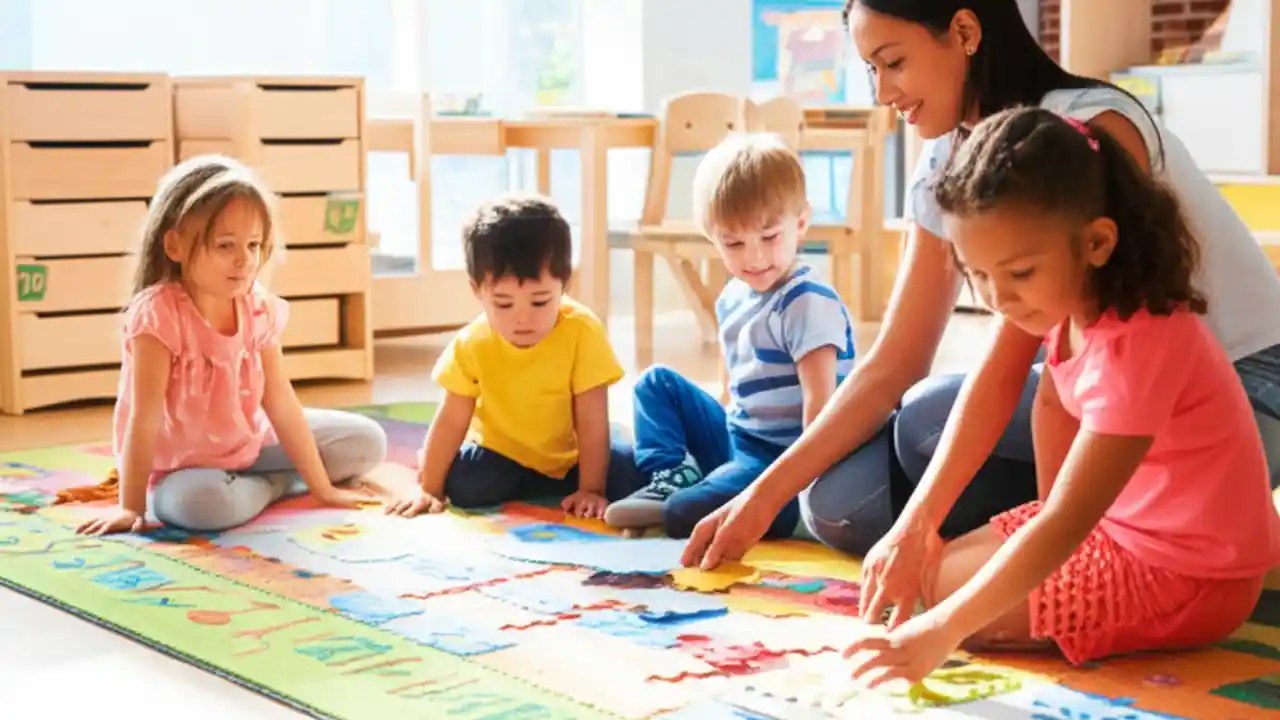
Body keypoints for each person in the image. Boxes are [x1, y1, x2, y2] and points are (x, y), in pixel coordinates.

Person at [681, 0, 1280, 569]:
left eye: (893, 63)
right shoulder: (948, 154)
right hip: (1104, 398)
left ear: (965, 32)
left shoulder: (1082, 130)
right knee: (834, 504)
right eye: (870, 70)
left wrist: (918, 523)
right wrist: (763, 494)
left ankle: (1113, 549)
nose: (882, 93)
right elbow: (894, 361)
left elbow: (1005, 365)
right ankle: (1052, 534)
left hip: (1242, 391)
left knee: (923, 424)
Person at [844, 106, 1280, 683]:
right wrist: (916, 526)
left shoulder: (1140, 343)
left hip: (1192, 576)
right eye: (978, 275)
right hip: (1120, 529)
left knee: (956, 606)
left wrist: (942, 631)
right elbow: (1023, 400)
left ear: (1096, 242)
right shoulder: (1061, 300)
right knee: (936, 570)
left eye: (1018, 273)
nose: (997, 297)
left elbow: (1070, 519)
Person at [76, 155, 390, 536]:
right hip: (185, 470)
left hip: (249, 442)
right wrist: (130, 506)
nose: (244, 260)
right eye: (225, 245)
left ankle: (275, 481)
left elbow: (279, 399)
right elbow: (144, 417)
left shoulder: (258, 306)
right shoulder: (158, 315)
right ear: (174, 244)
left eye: (254, 245)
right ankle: (278, 485)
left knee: (366, 441)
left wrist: (323, 489)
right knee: (199, 506)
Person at [603, 133, 857, 536]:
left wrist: (802, 485)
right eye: (734, 243)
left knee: (688, 511)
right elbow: (733, 386)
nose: (754, 257)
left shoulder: (806, 300)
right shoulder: (731, 297)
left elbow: (820, 404)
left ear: (801, 222)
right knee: (654, 384)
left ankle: (723, 503)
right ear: (712, 237)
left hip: (783, 457)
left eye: (770, 237)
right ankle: (671, 474)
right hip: (738, 437)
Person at [385, 194, 646, 519]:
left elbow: (591, 419)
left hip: (571, 457)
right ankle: (536, 484)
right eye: (504, 304)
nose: (522, 319)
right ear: (476, 290)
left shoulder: (582, 331)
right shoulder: (473, 343)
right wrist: (428, 488)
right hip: (503, 453)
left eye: (539, 302)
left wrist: (591, 489)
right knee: (464, 486)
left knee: (631, 477)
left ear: (565, 284)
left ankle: (577, 474)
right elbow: (452, 420)